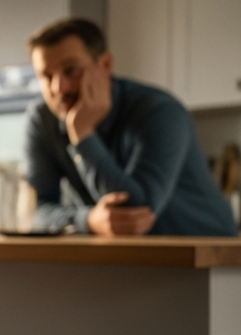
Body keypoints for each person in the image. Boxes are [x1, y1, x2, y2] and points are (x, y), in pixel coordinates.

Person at [24, 17, 237, 236]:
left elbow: (134, 212)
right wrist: (87, 220)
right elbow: (31, 209)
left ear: (105, 64)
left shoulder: (161, 111)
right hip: (130, 257)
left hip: (209, 258)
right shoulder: (42, 119)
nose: (58, 87)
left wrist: (82, 134)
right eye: (46, 76)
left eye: (71, 71)